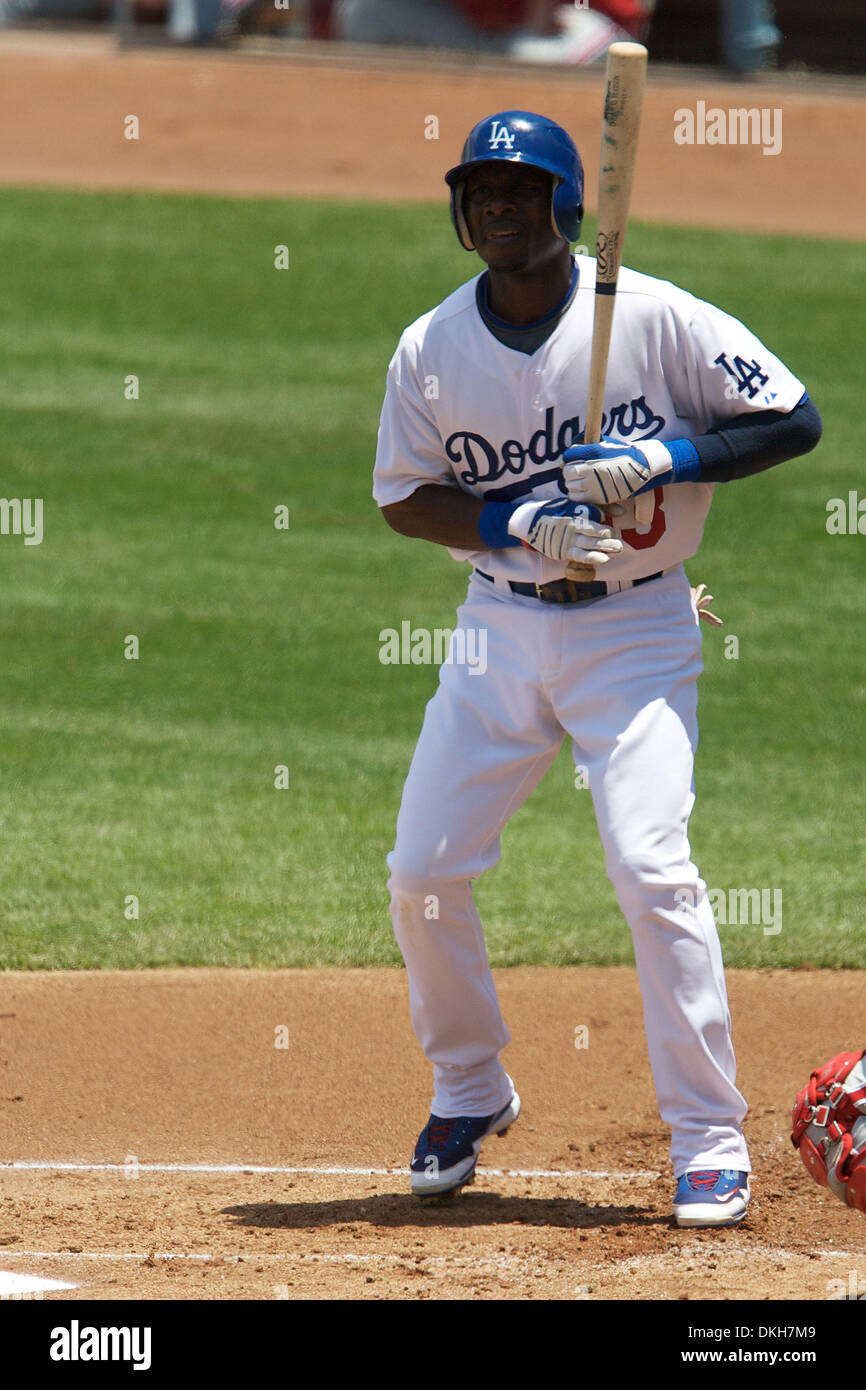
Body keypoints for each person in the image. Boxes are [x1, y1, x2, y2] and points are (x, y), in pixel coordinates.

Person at [372, 111, 821, 1227]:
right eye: (479, 191)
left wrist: (661, 454)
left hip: (636, 633)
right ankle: (469, 1088)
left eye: (520, 191)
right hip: (495, 631)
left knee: (649, 866)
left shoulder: (652, 315)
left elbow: (790, 418)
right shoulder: (430, 348)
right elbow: (402, 495)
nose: (497, 208)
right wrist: (517, 519)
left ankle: (708, 1136)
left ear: (570, 207)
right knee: (422, 870)